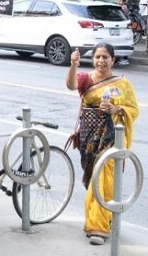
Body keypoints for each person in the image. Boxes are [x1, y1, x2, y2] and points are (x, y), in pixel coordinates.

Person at [65, 44, 139, 246]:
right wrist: (73, 64)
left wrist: (116, 108)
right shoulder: (86, 79)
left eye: (105, 57)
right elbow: (71, 85)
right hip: (89, 137)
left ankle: (97, 226)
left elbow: (133, 109)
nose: (101, 61)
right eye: (98, 57)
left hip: (111, 137)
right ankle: (100, 217)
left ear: (113, 60)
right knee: (92, 179)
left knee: (104, 177)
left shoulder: (122, 84)